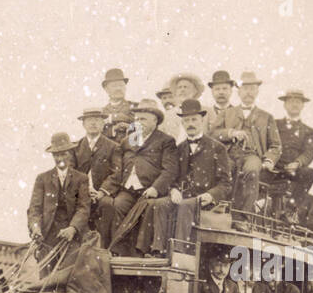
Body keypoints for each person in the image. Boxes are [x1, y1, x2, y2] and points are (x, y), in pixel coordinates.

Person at [147, 98, 231, 253]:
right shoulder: (179, 149)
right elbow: (173, 177)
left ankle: (179, 252)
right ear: (182, 123)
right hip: (184, 195)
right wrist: (173, 190)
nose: (190, 123)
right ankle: (158, 250)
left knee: (185, 206)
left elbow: (225, 183)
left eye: (194, 119)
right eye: (186, 120)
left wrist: (210, 195)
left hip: (207, 200)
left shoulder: (217, 148)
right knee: (160, 204)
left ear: (202, 120)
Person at [101, 100, 178, 253]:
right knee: (117, 205)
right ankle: (119, 251)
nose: (139, 122)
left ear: (155, 121)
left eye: (143, 119)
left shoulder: (166, 141)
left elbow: (170, 169)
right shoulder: (127, 140)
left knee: (147, 209)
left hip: (149, 190)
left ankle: (142, 252)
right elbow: (118, 168)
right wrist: (107, 189)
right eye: (137, 119)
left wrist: (156, 188)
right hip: (128, 190)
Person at [27, 131, 91, 270]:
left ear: (70, 154)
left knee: (69, 276)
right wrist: (36, 227)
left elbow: (83, 208)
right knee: (46, 279)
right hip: (47, 236)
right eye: (56, 155)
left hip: (73, 237)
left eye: (63, 154)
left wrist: (72, 228)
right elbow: (34, 209)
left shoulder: (81, 179)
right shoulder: (42, 179)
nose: (60, 158)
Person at [227, 71, 282, 219]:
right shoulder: (228, 113)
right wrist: (231, 132)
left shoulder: (267, 117)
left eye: (252, 89)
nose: (248, 92)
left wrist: (269, 160)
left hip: (253, 155)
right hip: (230, 154)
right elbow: (213, 133)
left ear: (257, 91)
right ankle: (222, 212)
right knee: (223, 170)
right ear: (238, 91)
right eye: (245, 88)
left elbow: (276, 145)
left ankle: (243, 216)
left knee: (251, 171)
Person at [72, 108, 121, 247]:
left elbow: (116, 173)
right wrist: (83, 191)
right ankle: (76, 248)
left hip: (101, 193)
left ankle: (104, 247)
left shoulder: (113, 147)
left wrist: (101, 192)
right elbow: (72, 172)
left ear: (103, 124)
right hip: (80, 193)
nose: (93, 123)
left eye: (97, 120)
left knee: (107, 205)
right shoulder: (75, 147)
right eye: (89, 120)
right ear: (83, 124)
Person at [273, 89, 313, 219]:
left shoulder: (308, 131)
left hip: (293, 171)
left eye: (298, 102)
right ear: (285, 104)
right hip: (273, 167)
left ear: (303, 105)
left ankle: (289, 210)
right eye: (291, 101)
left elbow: (309, 153)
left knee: (309, 173)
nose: (294, 105)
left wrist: (297, 163)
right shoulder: (274, 124)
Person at [100, 68, 135, 142]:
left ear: (125, 88)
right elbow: (97, 133)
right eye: (114, 86)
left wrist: (130, 127)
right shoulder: (101, 112)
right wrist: (114, 129)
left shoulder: (136, 107)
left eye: (121, 85)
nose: (118, 88)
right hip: (109, 152)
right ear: (106, 89)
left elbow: (144, 127)